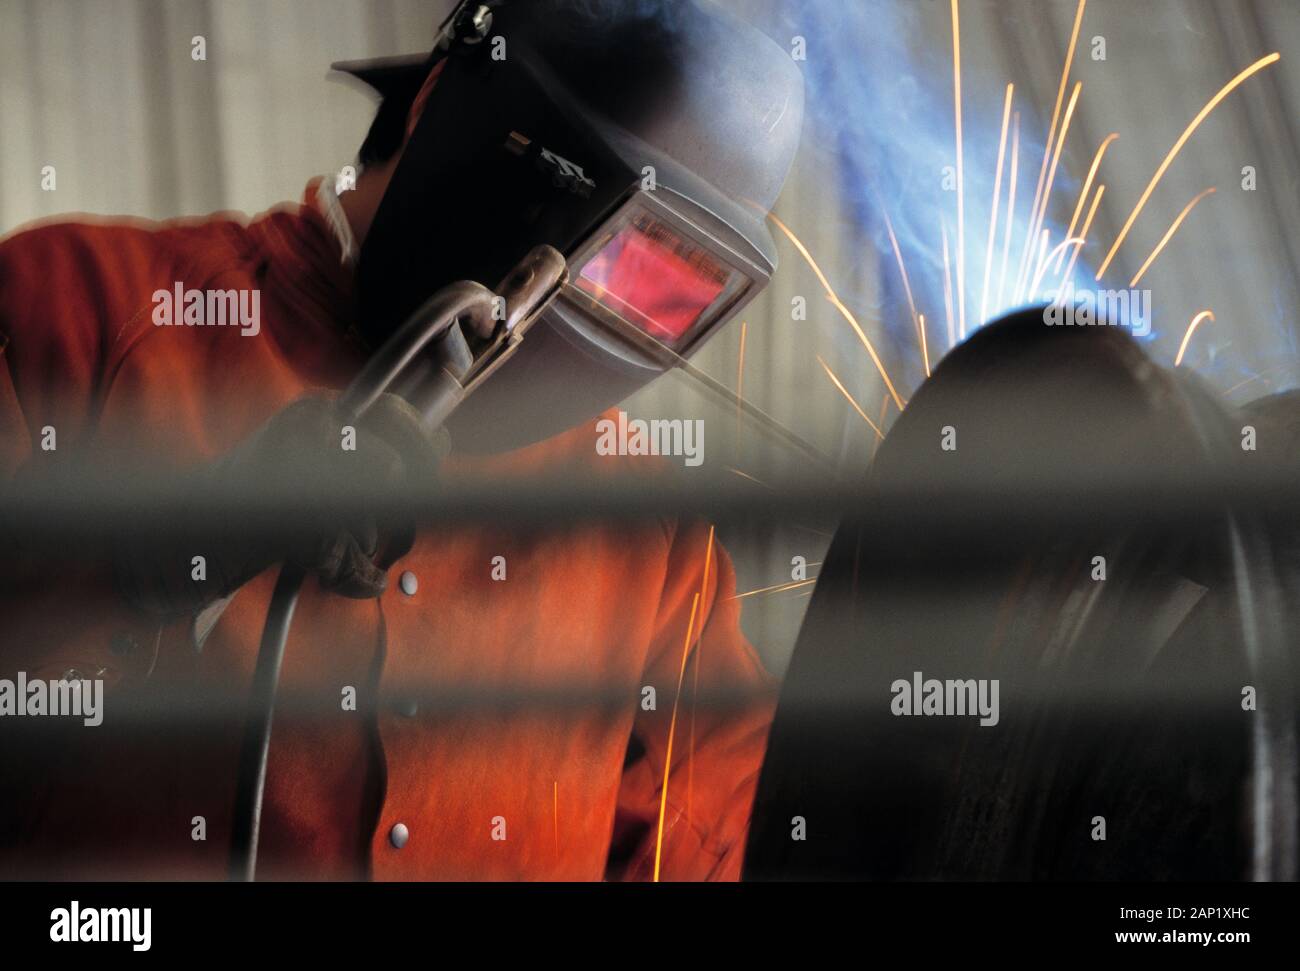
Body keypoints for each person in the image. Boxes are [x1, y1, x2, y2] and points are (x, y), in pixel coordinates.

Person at [0, 0, 803, 880]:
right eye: (602, 246)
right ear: (439, 112)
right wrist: (150, 562)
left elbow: (742, 841)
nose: (580, 307)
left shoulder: (652, 543)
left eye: (658, 291)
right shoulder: (72, 311)